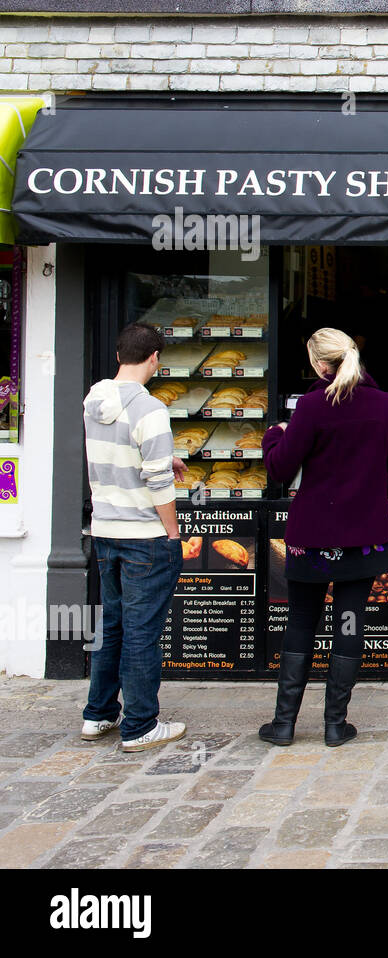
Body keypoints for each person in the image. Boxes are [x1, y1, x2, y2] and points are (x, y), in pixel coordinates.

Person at [259, 328, 388, 747]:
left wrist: (275, 434)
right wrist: (367, 497)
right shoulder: (386, 404)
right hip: (363, 536)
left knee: (302, 621)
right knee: (349, 620)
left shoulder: (310, 405)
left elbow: (281, 468)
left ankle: (284, 724)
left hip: (313, 538)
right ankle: (334, 726)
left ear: (321, 366)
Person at [81, 322, 188, 752]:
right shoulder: (151, 409)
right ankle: (141, 724)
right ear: (155, 358)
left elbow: (119, 452)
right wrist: (173, 532)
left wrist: (167, 454)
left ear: (118, 355)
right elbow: (157, 480)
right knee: (143, 631)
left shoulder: (94, 401)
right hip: (145, 536)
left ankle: (98, 715)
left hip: (105, 530)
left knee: (113, 625)